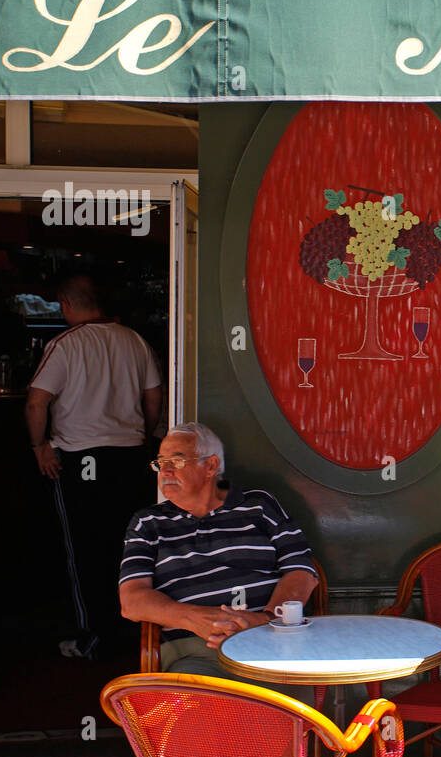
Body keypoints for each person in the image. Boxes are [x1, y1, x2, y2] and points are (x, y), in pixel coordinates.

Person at [25, 272, 162, 659]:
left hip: (81, 459)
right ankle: (134, 632)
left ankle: (94, 638)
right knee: (129, 547)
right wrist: (144, 437)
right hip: (130, 456)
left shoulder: (65, 344)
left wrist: (39, 447)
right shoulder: (134, 340)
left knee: (85, 550)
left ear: (66, 305)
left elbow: (36, 402)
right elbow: (154, 398)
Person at [118, 423, 318, 685]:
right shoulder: (148, 522)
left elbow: (302, 571)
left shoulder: (258, 505)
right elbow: (132, 601)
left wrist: (265, 621)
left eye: (177, 461)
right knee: (204, 711)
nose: (164, 471)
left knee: (281, 710)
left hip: (272, 647)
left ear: (211, 466)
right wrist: (196, 619)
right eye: (160, 462)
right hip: (195, 652)